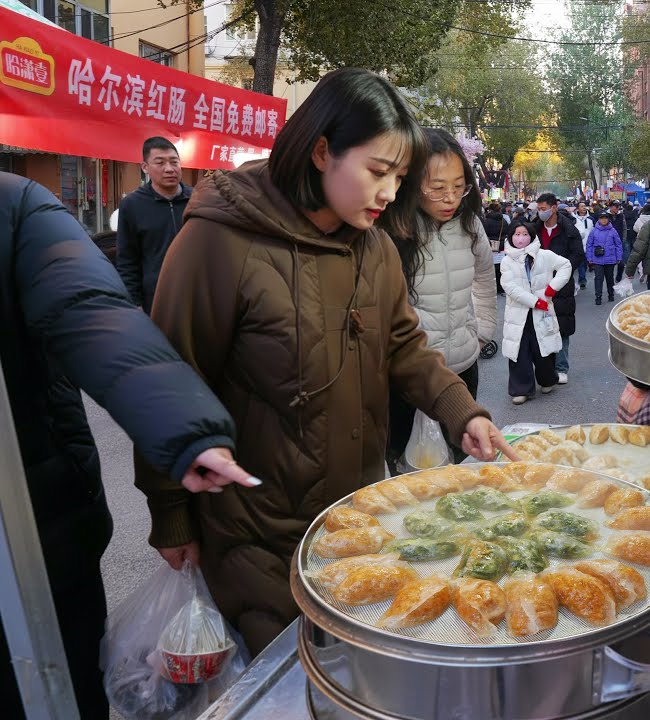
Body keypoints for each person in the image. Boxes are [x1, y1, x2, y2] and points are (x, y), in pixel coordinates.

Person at [134, 68, 514, 655]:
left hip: (360, 521)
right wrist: (171, 515)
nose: (390, 193)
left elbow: (405, 346)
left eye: (399, 177)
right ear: (320, 151)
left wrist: (462, 413)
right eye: (377, 172)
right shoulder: (218, 242)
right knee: (286, 680)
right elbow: (165, 385)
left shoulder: (377, 247)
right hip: (258, 535)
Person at [0, 172, 257, 719]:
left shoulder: (14, 206)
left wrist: (186, 429)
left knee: (65, 690)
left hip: (36, 534)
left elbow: (95, 314)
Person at [386, 129, 499, 470]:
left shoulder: (469, 224)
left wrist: (482, 331)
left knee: (461, 460)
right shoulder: (392, 231)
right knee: (407, 470)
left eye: (458, 186)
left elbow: (483, 276)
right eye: (437, 188)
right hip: (407, 376)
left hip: (463, 365)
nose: (450, 198)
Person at [114, 136, 193, 313]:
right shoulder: (132, 205)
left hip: (194, 296)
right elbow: (127, 260)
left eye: (174, 162)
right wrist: (134, 303)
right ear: (145, 167)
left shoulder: (197, 199)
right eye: (160, 163)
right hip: (155, 298)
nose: (169, 169)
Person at [500, 222, 572, 404]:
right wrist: (534, 301)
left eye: (524, 234)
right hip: (518, 313)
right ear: (510, 237)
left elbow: (566, 265)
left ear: (531, 236)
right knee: (519, 349)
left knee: (544, 347)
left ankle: (548, 380)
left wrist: (552, 288)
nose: (520, 238)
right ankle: (521, 388)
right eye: (516, 234)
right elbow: (509, 286)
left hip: (543, 312)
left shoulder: (544, 256)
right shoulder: (507, 260)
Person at [532, 192, 585, 385]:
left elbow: (578, 254)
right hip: (537, 284)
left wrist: (561, 273)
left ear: (554, 208)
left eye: (543, 209)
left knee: (561, 325)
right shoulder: (533, 229)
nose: (541, 212)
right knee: (541, 325)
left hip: (562, 285)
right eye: (538, 209)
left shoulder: (569, 229)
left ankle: (562, 367)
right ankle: (546, 369)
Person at [585, 211, 624, 305]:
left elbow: (618, 244)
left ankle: (611, 294)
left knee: (610, 278)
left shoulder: (613, 230)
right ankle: (598, 297)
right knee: (598, 279)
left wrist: (619, 257)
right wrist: (589, 257)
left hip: (610, 259)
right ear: (598, 219)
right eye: (601, 218)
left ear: (608, 219)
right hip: (597, 259)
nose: (603, 220)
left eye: (605, 218)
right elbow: (589, 245)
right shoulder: (594, 231)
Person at [482, 200, 508, 296]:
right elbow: (507, 232)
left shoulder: (487, 221)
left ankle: (492, 286)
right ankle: (500, 287)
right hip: (501, 246)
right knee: (501, 267)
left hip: (490, 245)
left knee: (490, 267)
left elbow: (484, 233)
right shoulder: (503, 220)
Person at [570, 202, 594, 289]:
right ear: (578, 208)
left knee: (586, 263)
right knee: (581, 263)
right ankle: (582, 280)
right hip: (578, 245)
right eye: (582, 206)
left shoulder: (591, 219)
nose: (584, 208)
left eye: (585, 206)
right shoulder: (573, 219)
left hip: (589, 244)